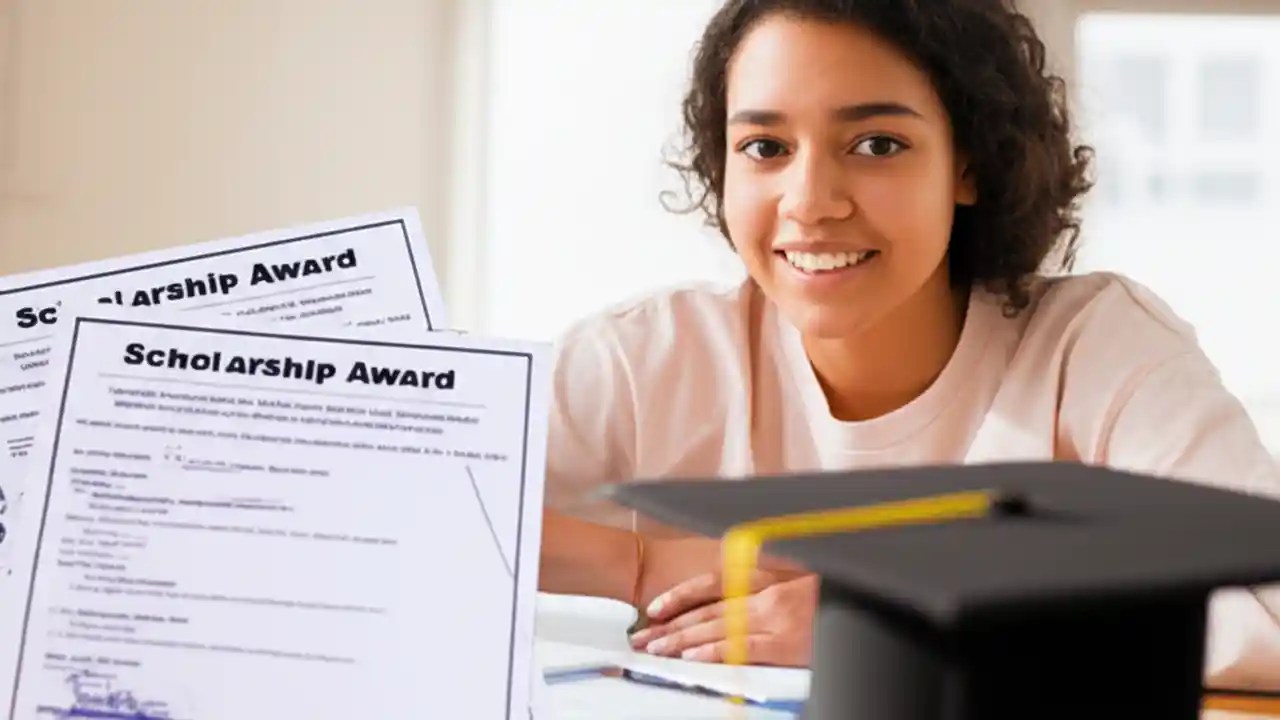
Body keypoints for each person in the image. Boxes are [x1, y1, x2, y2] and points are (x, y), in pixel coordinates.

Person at [536, 0, 1280, 689]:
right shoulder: (645, 357)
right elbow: (428, 513)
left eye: (877, 144)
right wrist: (638, 562)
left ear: (968, 163)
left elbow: (1269, 612)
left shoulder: (1095, 349)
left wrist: (895, 621)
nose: (811, 202)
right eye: (765, 146)